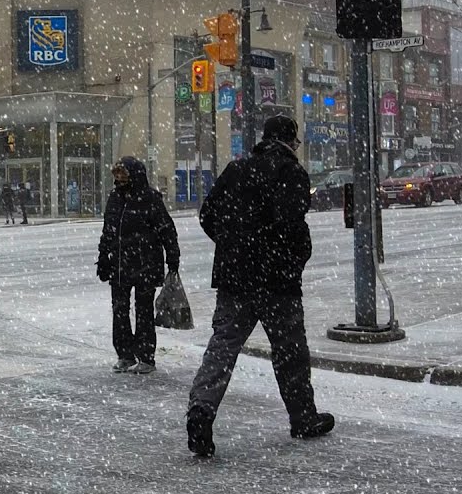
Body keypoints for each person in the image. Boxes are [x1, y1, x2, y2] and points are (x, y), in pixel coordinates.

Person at [187, 115, 333, 458]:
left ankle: (201, 409)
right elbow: (292, 225)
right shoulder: (291, 173)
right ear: (289, 142)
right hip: (276, 281)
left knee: (223, 347)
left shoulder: (236, 170)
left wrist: (231, 246)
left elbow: (208, 214)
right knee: (289, 351)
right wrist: (294, 257)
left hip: (235, 277)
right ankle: (302, 417)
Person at [96, 158, 179, 375]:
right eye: (116, 175)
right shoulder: (116, 198)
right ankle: (125, 354)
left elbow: (166, 229)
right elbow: (109, 229)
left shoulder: (150, 198)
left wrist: (173, 257)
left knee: (143, 311)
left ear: (134, 175)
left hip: (145, 263)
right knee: (119, 310)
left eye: (123, 174)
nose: (119, 179)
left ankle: (145, 356)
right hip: (120, 263)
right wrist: (104, 255)